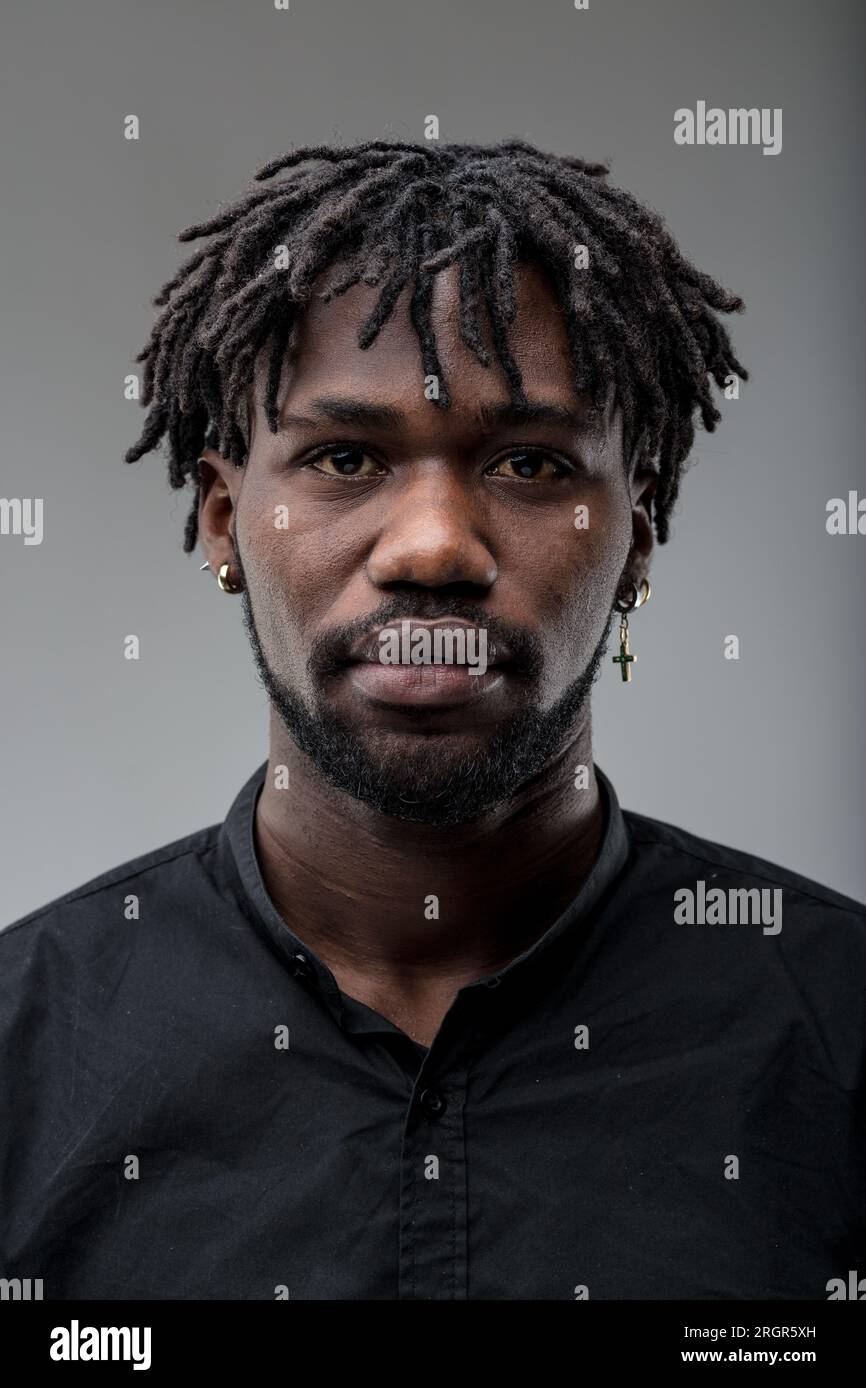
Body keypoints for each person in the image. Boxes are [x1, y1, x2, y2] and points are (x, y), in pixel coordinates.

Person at [2, 139, 863, 1301]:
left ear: (637, 531)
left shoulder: (835, 1028)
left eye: (525, 463)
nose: (432, 548)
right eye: (345, 457)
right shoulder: (26, 1051)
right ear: (220, 518)